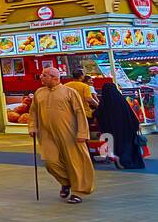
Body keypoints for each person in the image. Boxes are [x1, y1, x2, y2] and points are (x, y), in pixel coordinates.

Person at [28, 67, 95, 203]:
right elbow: (33, 112)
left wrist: (82, 132)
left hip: (69, 133)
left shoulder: (69, 92)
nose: (40, 77)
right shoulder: (39, 93)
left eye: (44, 75)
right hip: (47, 134)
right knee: (50, 162)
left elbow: (79, 112)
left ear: (54, 77)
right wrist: (32, 127)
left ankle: (78, 191)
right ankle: (66, 182)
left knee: (75, 161)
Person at [95, 81, 146, 170]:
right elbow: (130, 114)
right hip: (126, 129)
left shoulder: (104, 103)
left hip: (112, 131)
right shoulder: (121, 101)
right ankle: (128, 161)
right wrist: (136, 124)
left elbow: (99, 115)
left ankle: (122, 161)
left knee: (116, 145)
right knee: (127, 145)